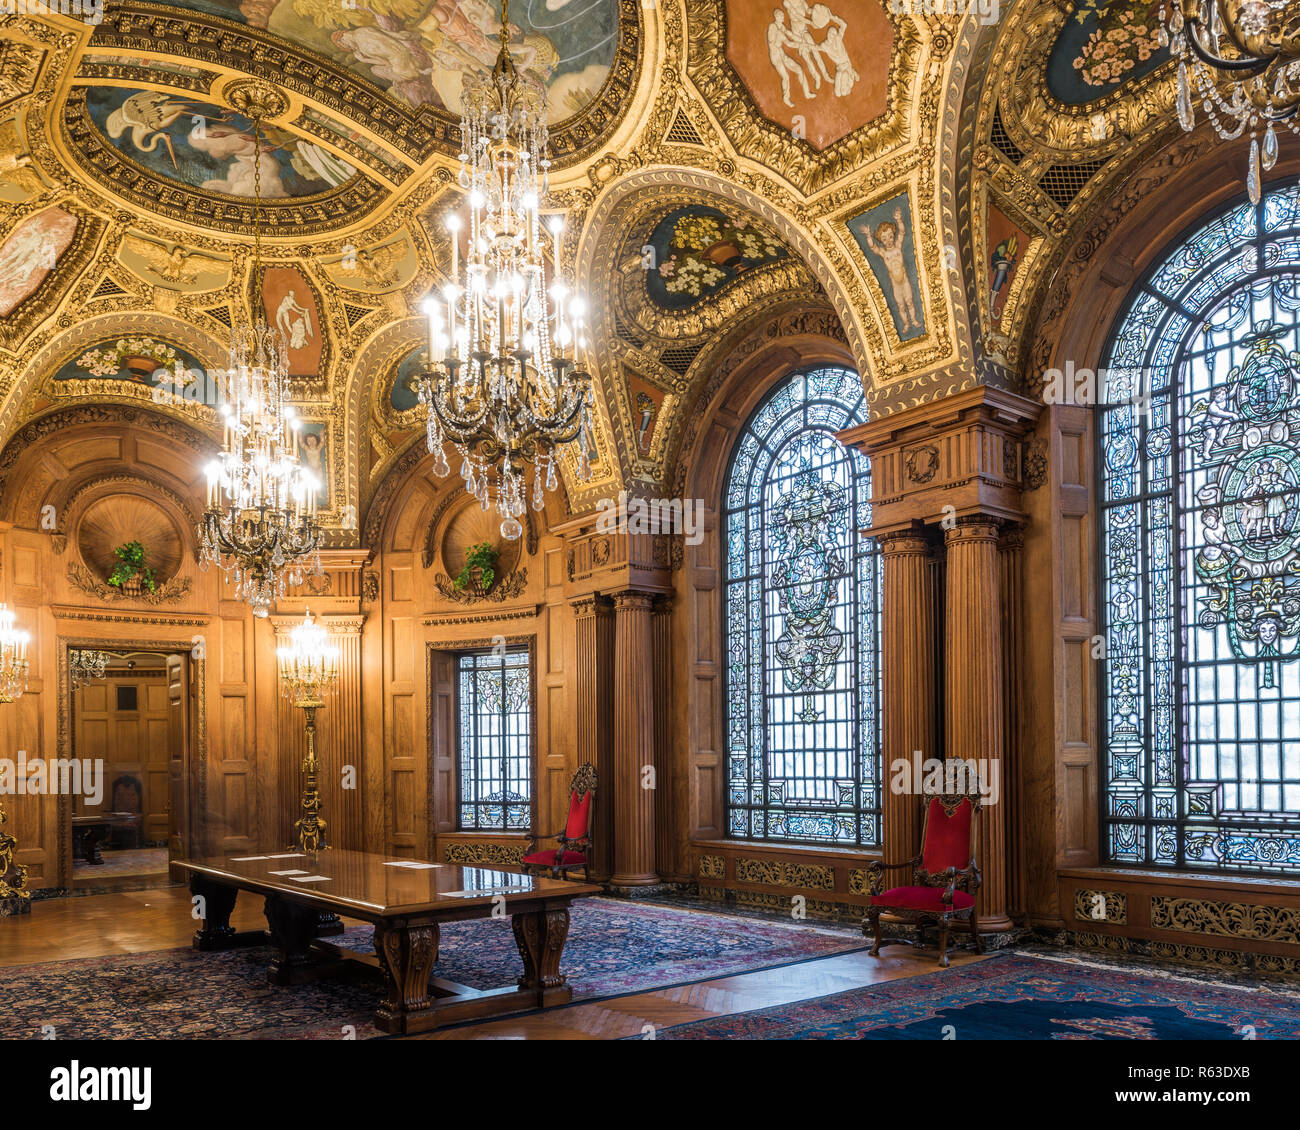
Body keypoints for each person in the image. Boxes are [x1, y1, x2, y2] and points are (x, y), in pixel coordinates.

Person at [859, 206, 922, 335]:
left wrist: (899, 220)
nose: (888, 241)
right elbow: (872, 247)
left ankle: (914, 320)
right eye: (884, 239)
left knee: (910, 301)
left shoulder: (898, 247)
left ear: (893, 235)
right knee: (900, 306)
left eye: (890, 237)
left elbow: (902, 233)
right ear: (881, 241)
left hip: (904, 282)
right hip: (896, 286)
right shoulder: (883, 253)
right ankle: (906, 324)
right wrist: (868, 235)